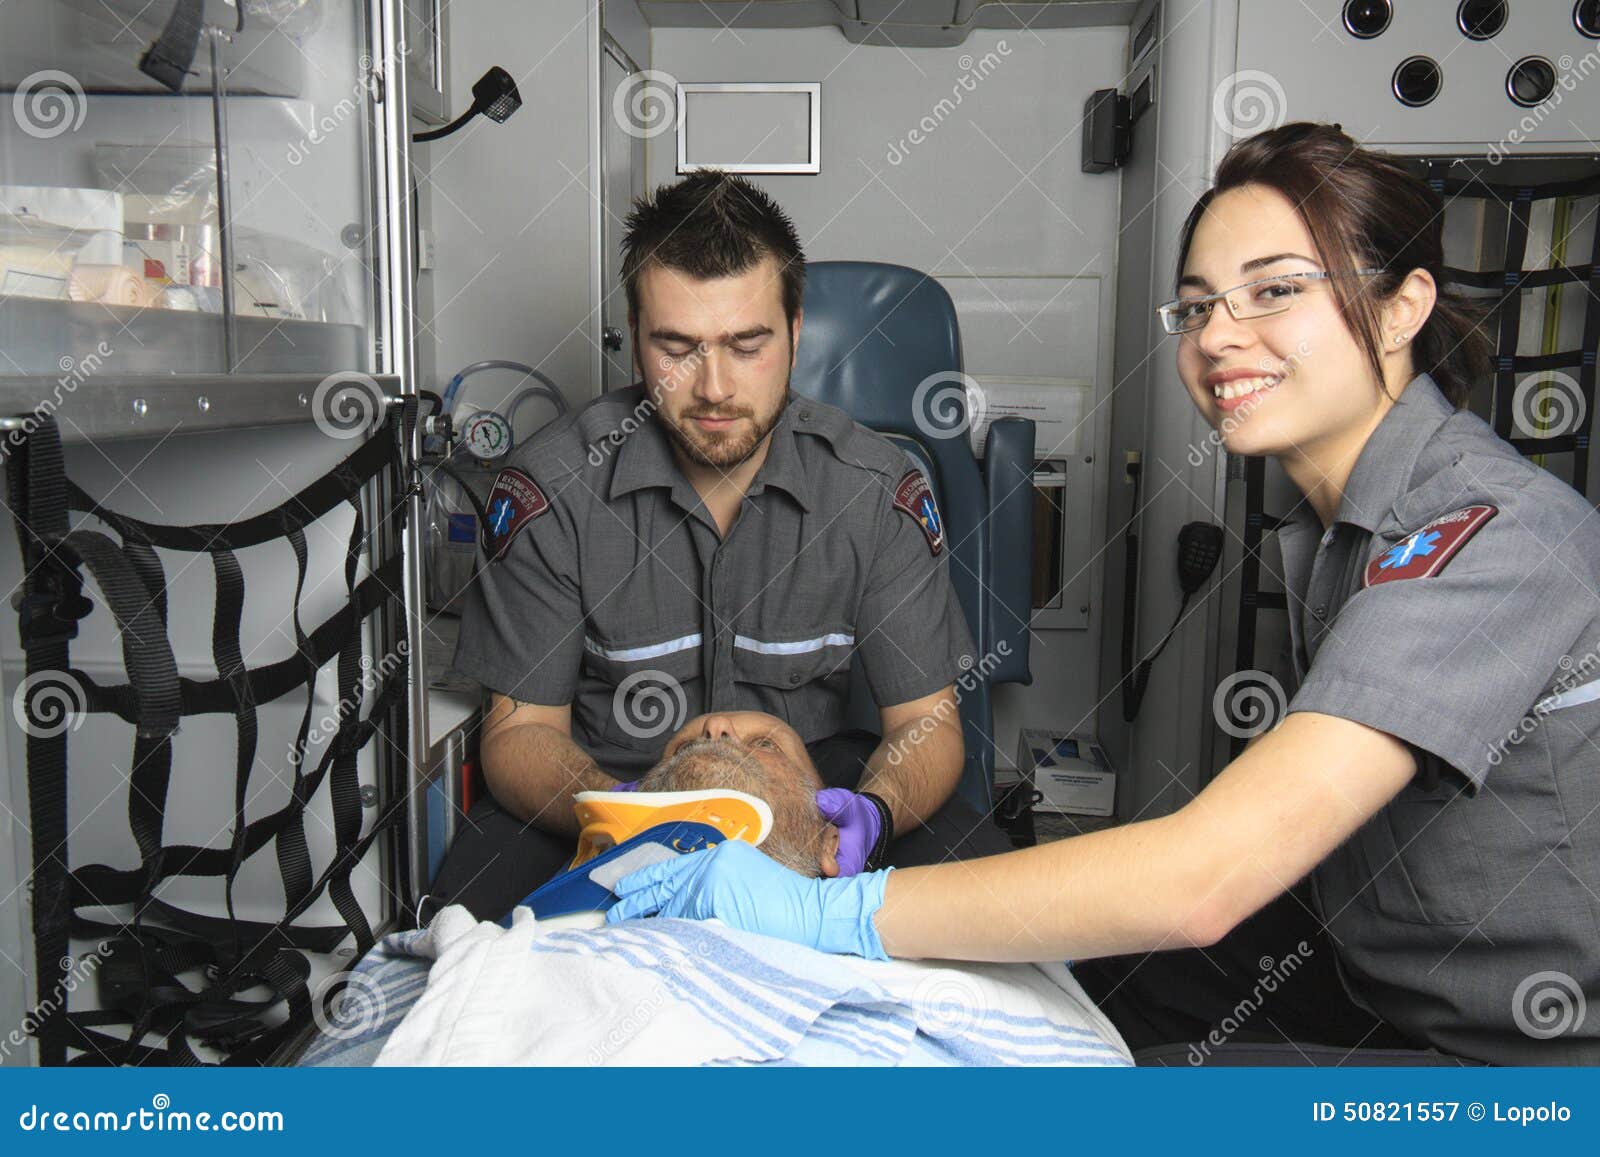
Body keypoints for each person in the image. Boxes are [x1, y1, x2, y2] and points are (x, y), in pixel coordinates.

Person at [602, 122, 1600, 1066]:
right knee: (1061, 980)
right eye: (1198, 305)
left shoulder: (1489, 537)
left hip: (1519, 1061)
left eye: (1274, 290)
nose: (1219, 337)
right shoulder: (1337, 534)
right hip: (1366, 977)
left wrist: (829, 911)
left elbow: (1203, 879)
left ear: (1401, 306)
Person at [429, 169, 1012, 922]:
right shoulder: (552, 488)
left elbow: (926, 727)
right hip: (607, 781)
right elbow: (520, 734)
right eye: (677, 347)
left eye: (746, 345)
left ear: (795, 332)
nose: (713, 388)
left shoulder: (874, 490)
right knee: (464, 937)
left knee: (993, 909)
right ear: (635, 338)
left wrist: (872, 814)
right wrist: (625, 810)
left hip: (812, 785)